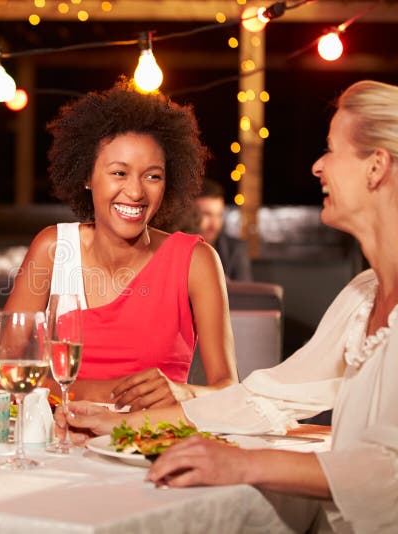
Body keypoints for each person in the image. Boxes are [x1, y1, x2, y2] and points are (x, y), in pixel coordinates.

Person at [57, 80, 398, 533]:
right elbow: (266, 397)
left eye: (331, 150)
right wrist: (123, 423)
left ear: (376, 167)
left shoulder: (196, 258)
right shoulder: (362, 295)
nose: (317, 166)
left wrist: (244, 465)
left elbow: (389, 473)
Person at [0, 80, 238, 410]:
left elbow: (229, 389)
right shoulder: (54, 248)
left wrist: (185, 392)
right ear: (87, 176)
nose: (135, 192)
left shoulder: (196, 260)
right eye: (119, 173)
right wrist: (108, 393)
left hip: (149, 446)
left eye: (153, 176)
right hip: (64, 447)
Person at [195, 179, 252, 281]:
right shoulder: (176, 248)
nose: (214, 224)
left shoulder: (235, 250)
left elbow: (245, 293)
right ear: (190, 215)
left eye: (219, 215)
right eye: (207, 214)